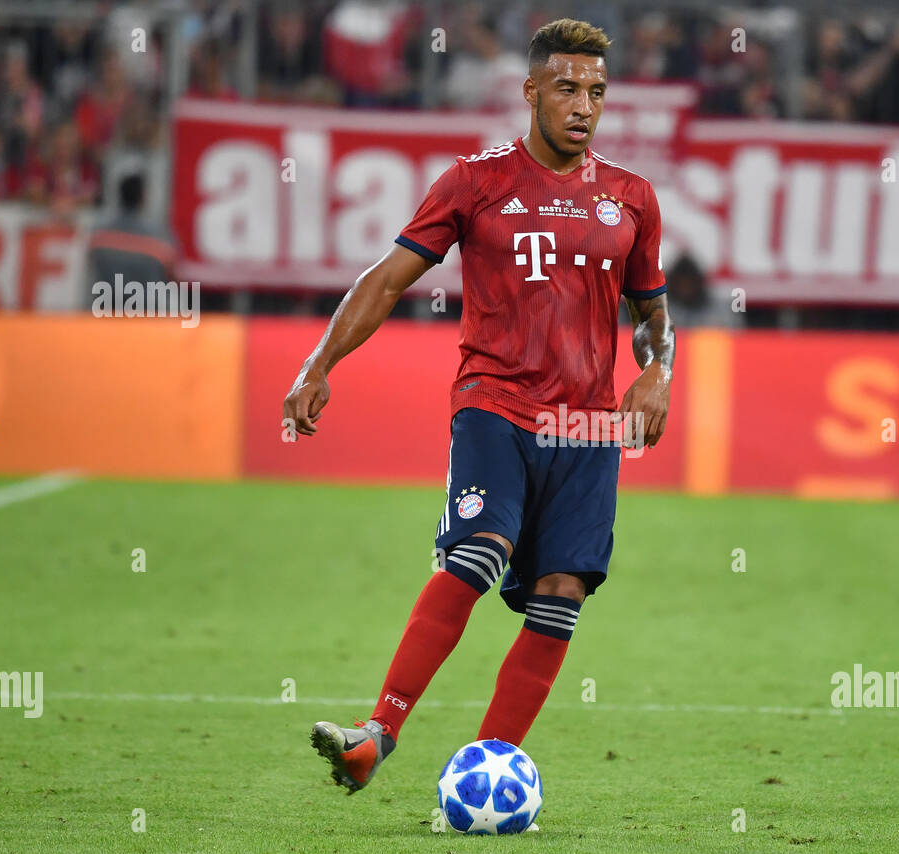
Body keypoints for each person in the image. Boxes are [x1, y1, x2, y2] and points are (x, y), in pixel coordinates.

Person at [282, 18, 674, 799]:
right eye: (566, 88)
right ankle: (376, 734)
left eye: (596, 91)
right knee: (477, 552)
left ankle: (485, 770)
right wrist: (319, 363)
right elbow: (388, 279)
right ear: (530, 91)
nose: (582, 106)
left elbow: (653, 319)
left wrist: (658, 372)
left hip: (588, 428)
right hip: (495, 405)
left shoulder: (631, 199)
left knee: (560, 596)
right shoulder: (475, 181)